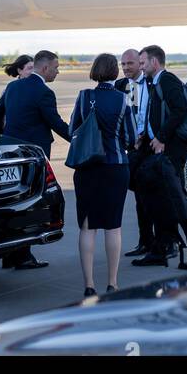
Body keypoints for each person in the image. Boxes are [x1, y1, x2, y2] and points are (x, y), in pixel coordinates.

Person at [131, 44, 187, 270]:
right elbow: (152, 114)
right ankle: (163, 247)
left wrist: (162, 137)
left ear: (154, 62)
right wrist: (145, 136)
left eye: (143, 62)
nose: (141, 66)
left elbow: (180, 109)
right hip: (158, 148)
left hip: (171, 151)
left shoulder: (167, 80)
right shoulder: (153, 82)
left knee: (176, 200)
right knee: (163, 199)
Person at [0, 49, 73, 269]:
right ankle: (23, 256)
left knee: (11, 201)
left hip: (9, 152)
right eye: (56, 68)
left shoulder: (13, 87)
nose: (57, 72)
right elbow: (55, 122)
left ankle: (10, 254)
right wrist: (77, 140)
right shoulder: (43, 92)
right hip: (33, 156)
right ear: (46, 67)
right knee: (29, 204)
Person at [69, 53, 135, 297]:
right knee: (113, 227)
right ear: (115, 71)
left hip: (87, 167)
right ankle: (112, 282)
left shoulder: (84, 96)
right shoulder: (122, 99)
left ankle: (89, 284)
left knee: (87, 227)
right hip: (115, 166)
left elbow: (72, 128)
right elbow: (129, 137)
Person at [116, 48, 159, 258]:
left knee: (149, 195)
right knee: (139, 198)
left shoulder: (152, 84)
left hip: (149, 146)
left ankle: (160, 241)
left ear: (139, 64)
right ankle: (145, 241)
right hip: (130, 147)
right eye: (122, 65)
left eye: (129, 64)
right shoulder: (120, 86)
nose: (125, 68)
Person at [0, 53, 34, 133]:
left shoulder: (38, 88)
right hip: (16, 134)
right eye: (29, 68)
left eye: (34, 68)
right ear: (19, 71)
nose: (33, 72)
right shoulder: (11, 89)